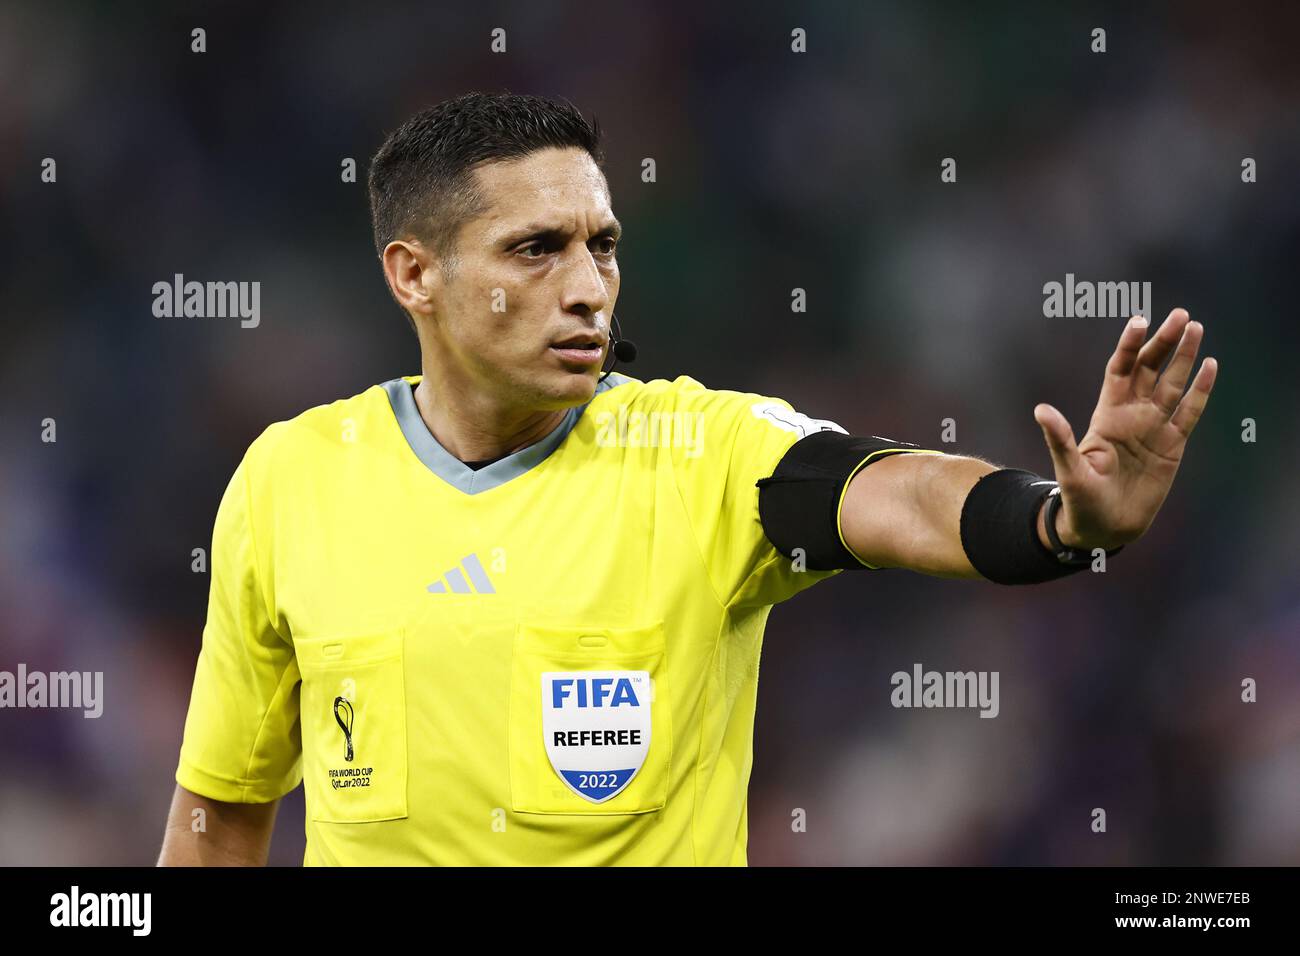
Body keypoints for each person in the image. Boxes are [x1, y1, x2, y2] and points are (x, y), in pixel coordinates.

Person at [158, 91, 1217, 866]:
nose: (588, 288)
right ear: (414, 275)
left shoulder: (701, 454)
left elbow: (896, 493)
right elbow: (219, 820)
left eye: (603, 245)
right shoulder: (290, 480)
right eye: (536, 249)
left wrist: (1057, 523)